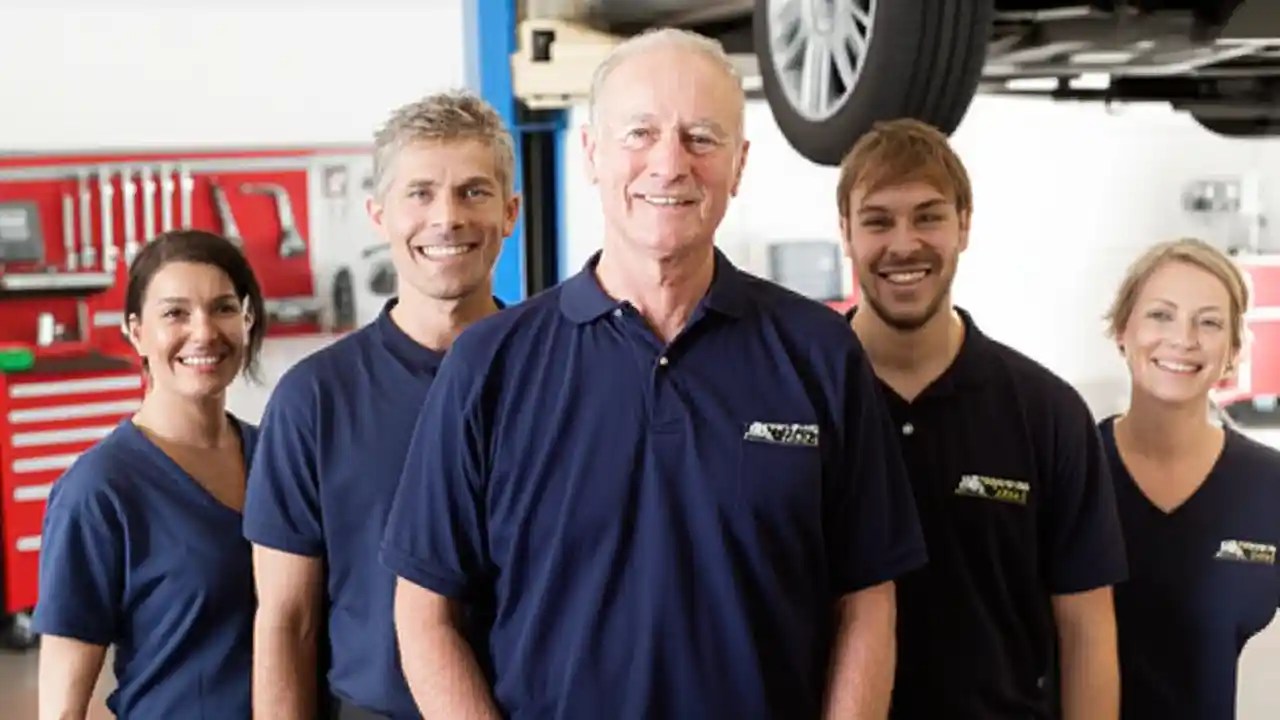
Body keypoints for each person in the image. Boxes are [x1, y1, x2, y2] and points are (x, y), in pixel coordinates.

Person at [380, 27, 927, 720]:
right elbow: (424, 613)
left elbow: (868, 599)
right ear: (591, 154)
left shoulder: (819, 353)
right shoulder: (490, 364)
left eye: (702, 137)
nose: (670, 164)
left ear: (739, 163)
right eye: (639, 133)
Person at [836, 118, 1129, 719]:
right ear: (845, 232)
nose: (903, 243)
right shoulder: (803, 400)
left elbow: (1087, 629)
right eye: (877, 220)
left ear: (964, 225)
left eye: (928, 216)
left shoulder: (1046, 413)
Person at [243, 89, 519, 720]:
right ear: (378, 214)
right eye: (419, 193)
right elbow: (287, 622)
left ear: (510, 212)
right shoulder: (314, 400)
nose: (446, 217)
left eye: (473, 191)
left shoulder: (559, 378)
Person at [33, 229, 267, 719]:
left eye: (223, 308)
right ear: (136, 331)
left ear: (246, 319)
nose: (203, 332)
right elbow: (62, 697)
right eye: (175, 313)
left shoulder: (277, 457)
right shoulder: (99, 491)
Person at [1099, 237, 1280, 720]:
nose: (1184, 339)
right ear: (1122, 329)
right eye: (1161, 315)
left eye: (1209, 322)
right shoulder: (1071, 470)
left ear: (1233, 349)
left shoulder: (1269, 486)